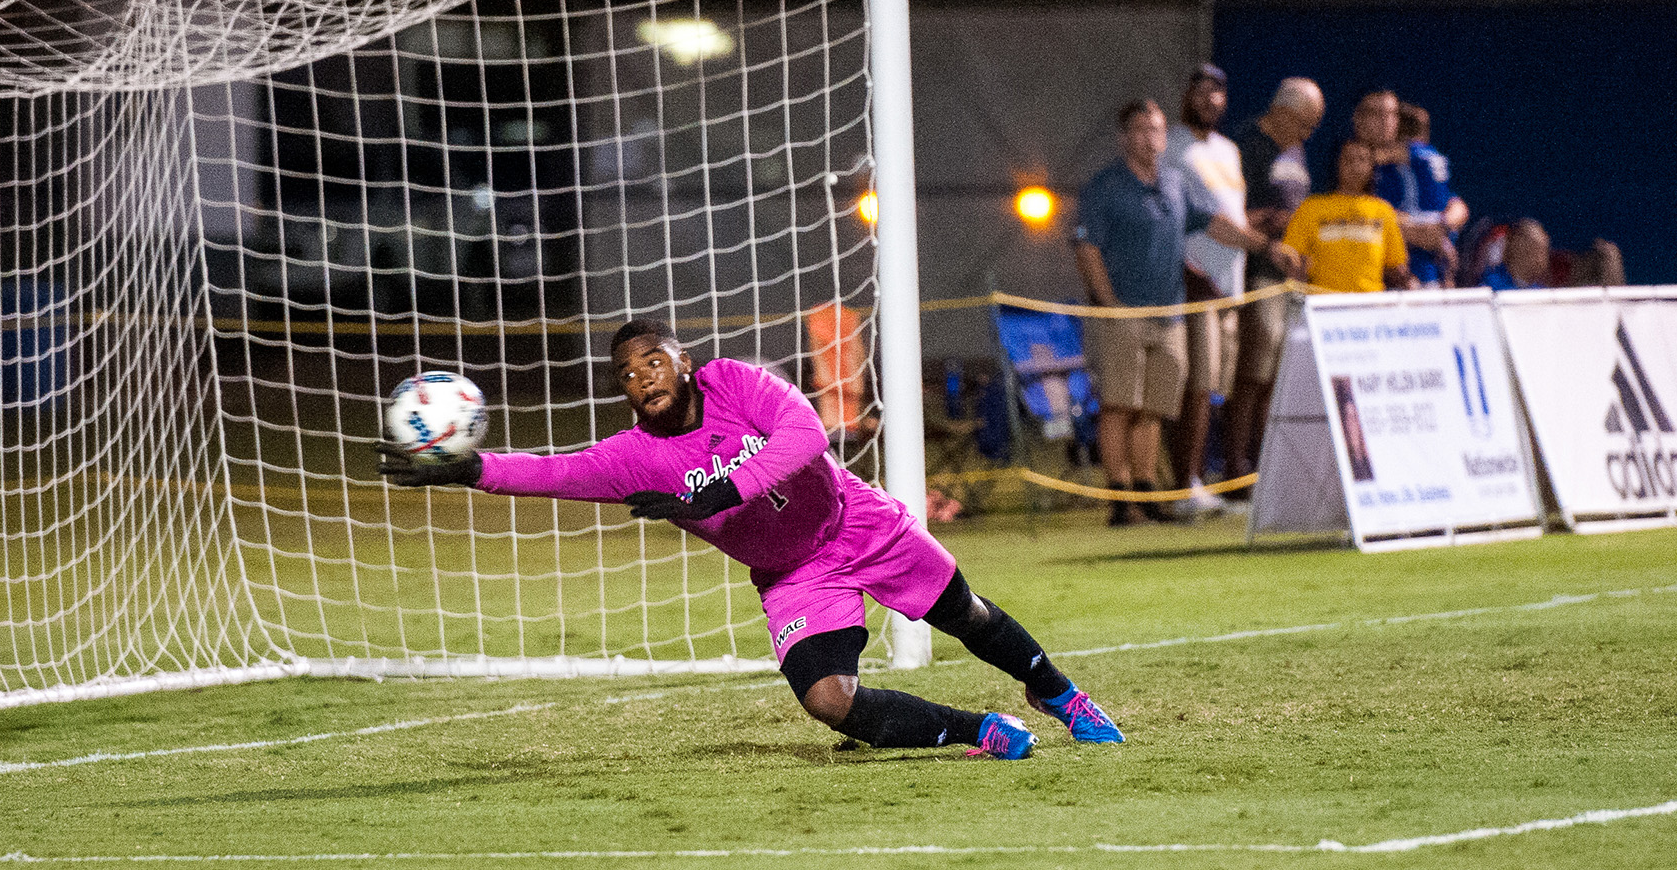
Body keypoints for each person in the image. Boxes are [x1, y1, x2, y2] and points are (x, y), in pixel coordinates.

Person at [374, 319, 1126, 760]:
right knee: (830, 700)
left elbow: (802, 434)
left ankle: (1060, 694)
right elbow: (551, 472)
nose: (643, 378)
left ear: (685, 363)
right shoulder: (632, 456)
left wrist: (721, 489)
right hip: (794, 575)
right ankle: (977, 732)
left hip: (856, 523)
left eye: (654, 361)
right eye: (629, 374)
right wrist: (468, 470)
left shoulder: (737, 382)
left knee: (968, 617)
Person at [1072, 99, 1299, 525]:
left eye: (1157, 129)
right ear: (1124, 138)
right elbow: (1086, 246)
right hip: (1124, 314)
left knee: (1154, 409)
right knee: (1120, 405)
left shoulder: (1176, 184)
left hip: (1171, 313)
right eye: (1140, 129)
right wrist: (1109, 303)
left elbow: (1215, 224)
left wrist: (1267, 247)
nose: (1150, 137)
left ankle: (1146, 490)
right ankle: (1120, 499)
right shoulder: (1105, 187)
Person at [1225, 76, 1323, 493]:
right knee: (1252, 372)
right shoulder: (1247, 147)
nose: (1306, 135)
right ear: (1281, 112)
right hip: (1258, 269)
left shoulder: (1294, 151)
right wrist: (1270, 221)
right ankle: (1236, 467)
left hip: (1291, 275)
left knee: (1276, 376)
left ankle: (1268, 466)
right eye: (1303, 124)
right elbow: (1228, 212)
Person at [1165, 63, 1245, 516]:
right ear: (1187, 96)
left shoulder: (1228, 151)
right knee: (1194, 385)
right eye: (1201, 91)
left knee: (1215, 385)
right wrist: (1188, 268)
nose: (1209, 100)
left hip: (1230, 284)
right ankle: (1184, 485)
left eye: (1217, 93)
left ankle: (1202, 482)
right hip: (1196, 280)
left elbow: (1232, 215)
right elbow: (1174, 213)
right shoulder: (1174, 146)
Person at [1353, 90, 1466, 287]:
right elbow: (1351, 209)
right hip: (1371, 276)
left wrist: (1442, 226)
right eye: (1376, 114)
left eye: (1391, 114)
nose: (1385, 121)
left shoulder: (1416, 158)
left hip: (1426, 273)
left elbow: (1456, 205)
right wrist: (1413, 231)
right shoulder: (1349, 160)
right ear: (1357, 118)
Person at [1281, 138, 1415, 293]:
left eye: (1363, 160)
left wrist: (1409, 281)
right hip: (1323, 303)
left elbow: (1396, 264)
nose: (1356, 166)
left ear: (1372, 167)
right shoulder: (1312, 207)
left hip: (1370, 304)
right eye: (1348, 160)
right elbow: (1291, 256)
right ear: (1336, 164)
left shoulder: (1383, 210)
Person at [1480, 218, 1551, 291]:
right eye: (1536, 251)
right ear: (1517, 249)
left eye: (1544, 251)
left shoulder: (1538, 290)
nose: (1541, 259)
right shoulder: (1491, 287)